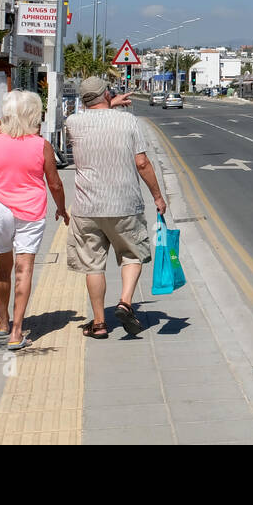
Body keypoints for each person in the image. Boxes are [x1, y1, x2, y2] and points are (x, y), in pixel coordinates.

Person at [64, 76, 168, 339]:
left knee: (93, 265)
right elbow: (142, 163)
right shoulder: (128, 121)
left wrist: (108, 105)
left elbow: (94, 119)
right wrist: (157, 196)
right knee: (132, 255)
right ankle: (125, 302)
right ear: (107, 94)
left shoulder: (72, 123)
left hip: (87, 207)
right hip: (125, 204)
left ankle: (99, 324)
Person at [0, 90, 68, 351]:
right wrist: (62, 209)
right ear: (34, 116)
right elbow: (55, 184)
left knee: (2, 267)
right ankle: (16, 332)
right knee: (24, 269)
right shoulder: (41, 145)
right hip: (32, 212)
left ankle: (3, 321)